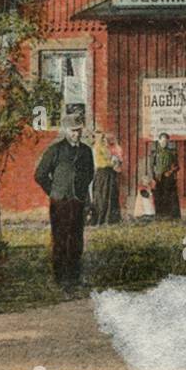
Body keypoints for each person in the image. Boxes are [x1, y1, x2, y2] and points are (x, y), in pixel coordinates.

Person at [34, 115, 95, 290]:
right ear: (65, 131)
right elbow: (40, 175)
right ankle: (59, 279)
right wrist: (54, 192)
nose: (76, 134)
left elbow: (89, 173)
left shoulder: (86, 151)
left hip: (78, 201)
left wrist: (82, 191)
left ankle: (75, 278)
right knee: (60, 239)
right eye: (73, 131)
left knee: (76, 239)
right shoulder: (55, 150)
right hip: (59, 202)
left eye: (78, 130)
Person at [88, 129, 120, 225]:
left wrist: (114, 160)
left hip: (108, 174)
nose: (103, 139)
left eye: (103, 137)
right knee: (101, 196)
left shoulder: (104, 148)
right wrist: (112, 163)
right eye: (100, 138)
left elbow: (111, 159)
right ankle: (100, 219)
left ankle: (109, 219)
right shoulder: (96, 148)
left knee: (109, 195)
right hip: (102, 174)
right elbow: (101, 163)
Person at [148, 132, 182, 220]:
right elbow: (151, 166)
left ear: (168, 142)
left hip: (168, 178)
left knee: (168, 196)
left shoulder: (171, 153)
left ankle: (170, 216)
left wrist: (170, 171)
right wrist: (152, 178)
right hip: (158, 178)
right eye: (162, 141)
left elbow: (177, 166)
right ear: (159, 141)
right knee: (158, 196)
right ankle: (159, 215)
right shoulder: (155, 153)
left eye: (166, 141)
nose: (164, 143)